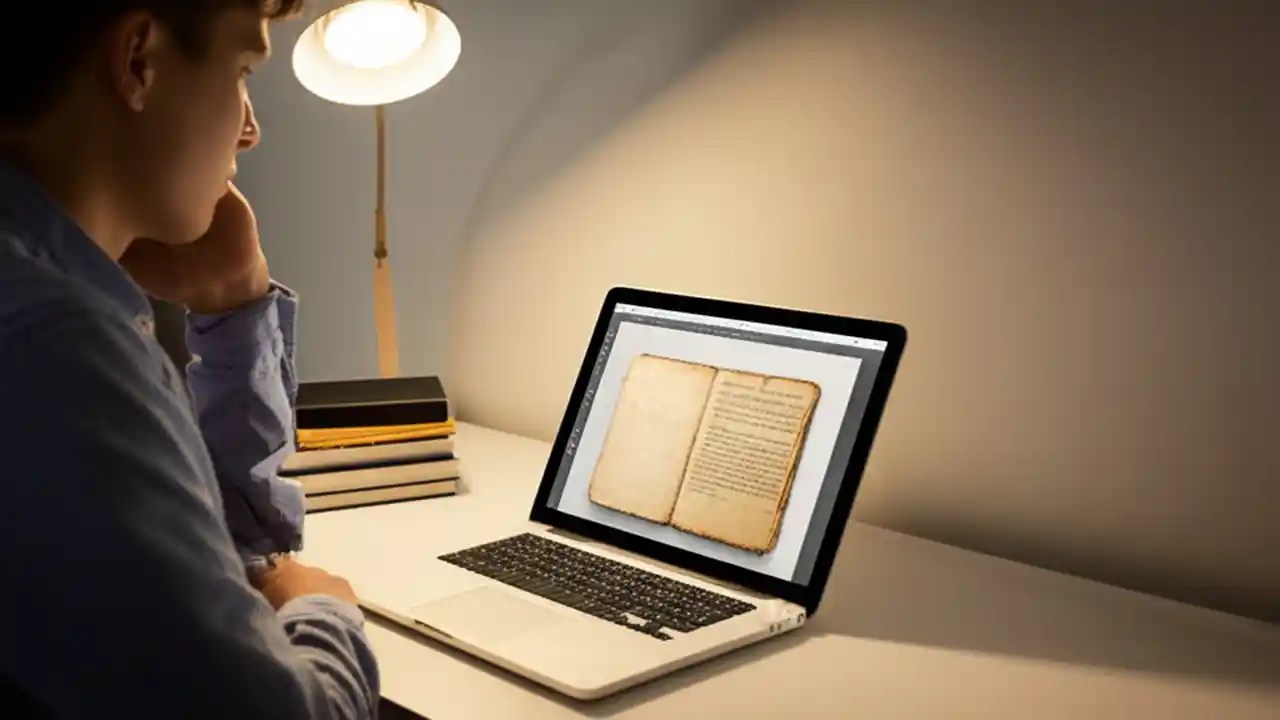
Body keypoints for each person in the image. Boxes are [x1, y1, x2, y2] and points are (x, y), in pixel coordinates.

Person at [0, 2, 379, 718]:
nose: (251, 129)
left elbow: (212, 567)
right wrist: (327, 613)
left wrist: (234, 308)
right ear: (139, 59)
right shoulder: (54, 347)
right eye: (241, 69)